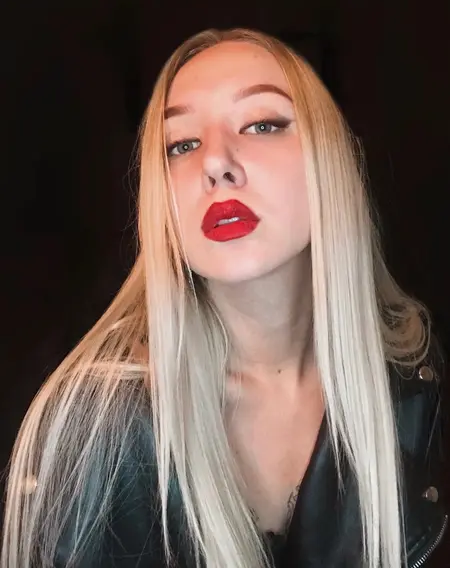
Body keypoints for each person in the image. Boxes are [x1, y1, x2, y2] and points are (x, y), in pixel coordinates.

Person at [1, 28, 447, 568]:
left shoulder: (413, 379)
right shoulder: (99, 427)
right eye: (181, 145)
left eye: (263, 124)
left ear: (333, 161)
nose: (215, 162)